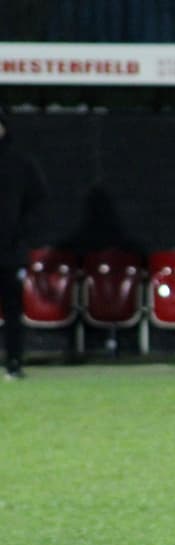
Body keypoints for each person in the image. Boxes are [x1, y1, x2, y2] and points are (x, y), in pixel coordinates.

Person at [0, 108, 49, 381]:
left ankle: (14, 362)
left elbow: (38, 203)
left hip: (10, 252)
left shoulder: (21, 163)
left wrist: (22, 235)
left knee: (12, 311)